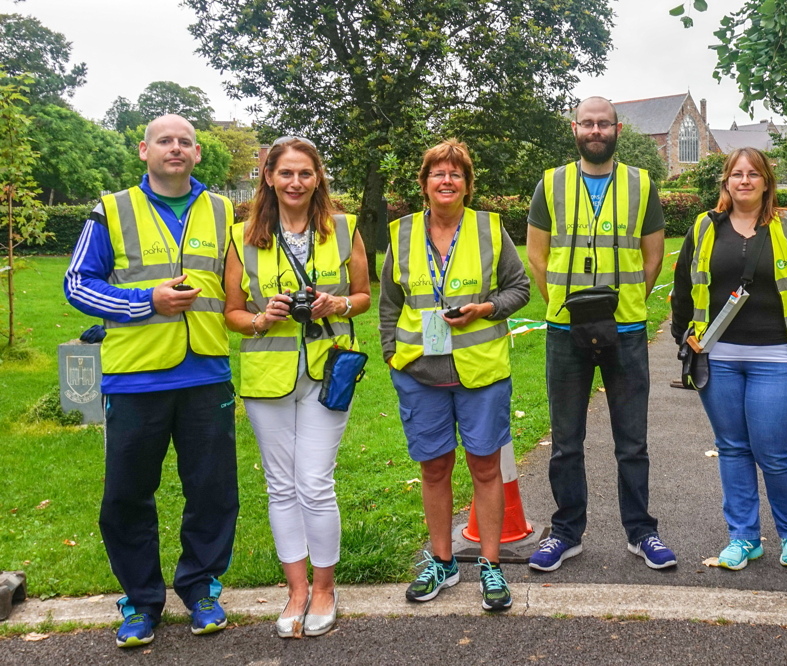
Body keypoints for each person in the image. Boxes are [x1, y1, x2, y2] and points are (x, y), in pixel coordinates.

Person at [63, 114, 237, 648]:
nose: (176, 148)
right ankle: (140, 600)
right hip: (134, 376)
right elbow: (77, 284)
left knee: (211, 491)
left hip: (206, 372)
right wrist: (147, 301)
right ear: (144, 150)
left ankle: (201, 588)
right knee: (127, 495)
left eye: (185, 141)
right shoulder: (112, 208)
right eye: (165, 141)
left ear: (198, 153)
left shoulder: (223, 208)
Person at [223, 136, 370, 638]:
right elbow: (232, 315)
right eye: (286, 173)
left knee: (314, 481)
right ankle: (296, 591)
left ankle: (325, 588)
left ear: (318, 178)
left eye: (305, 173)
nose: (295, 182)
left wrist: (337, 305)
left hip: (327, 373)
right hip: (267, 376)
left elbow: (364, 297)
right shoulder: (242, 236)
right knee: (281, 486)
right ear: (268, 176)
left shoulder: (344, 228)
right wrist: (262, 318)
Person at [379, 139, 530, 612]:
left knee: (485, 468)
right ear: (423, 184)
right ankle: (442, 561)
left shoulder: (489, 229)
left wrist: (487, 308)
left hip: (480, 373)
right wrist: (390, 352)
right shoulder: (401, 233)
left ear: (467, 184)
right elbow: (388, 304)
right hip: (419, 374)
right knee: (434, 468)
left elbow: (520, 288)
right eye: (437, 174)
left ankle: (490, 566)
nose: (447, 181)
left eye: (456, 174)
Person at [525, 96, 674, 572]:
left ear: (618, 128)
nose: (595, 130)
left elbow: (653, 258)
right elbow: (537, 257)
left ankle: (641, 532)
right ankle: (566, 533)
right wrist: (569, 305)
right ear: (574, 128)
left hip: (626, 329)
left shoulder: (640, 183)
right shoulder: (550, 184)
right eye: (587, 123)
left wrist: (625, 304)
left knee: (632, 442)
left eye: (603, 123)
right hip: (565, 330)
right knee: (566, 440)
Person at [671, 148, 787, 571]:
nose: (744, 181)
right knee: (733, 448)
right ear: (725, 182)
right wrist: (682, 334)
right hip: (717, 357)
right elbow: (684, 286)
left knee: (774, 452)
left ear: (766, 181)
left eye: (753, 174)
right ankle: (743, 537)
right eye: (736, 174)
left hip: (777, 355)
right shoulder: (704, 227)